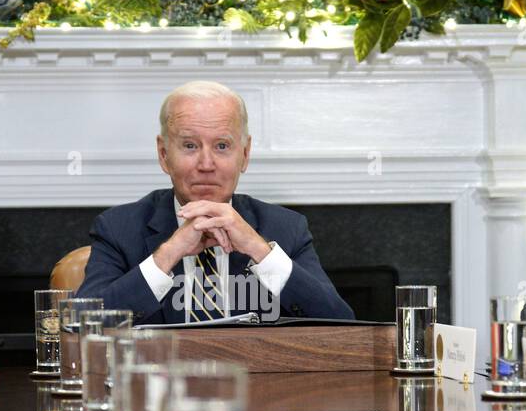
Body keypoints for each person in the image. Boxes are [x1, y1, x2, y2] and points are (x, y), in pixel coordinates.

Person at [78, 81, 354, 325]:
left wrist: (260, 250)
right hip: (160, 382)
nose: (206, 164)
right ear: (164, 155)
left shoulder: (286, 228)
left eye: (222, 146)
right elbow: (82, 326)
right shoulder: (118, 228)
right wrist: (168, 254)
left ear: (244, 155)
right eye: (190, 146)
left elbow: (342, 326)